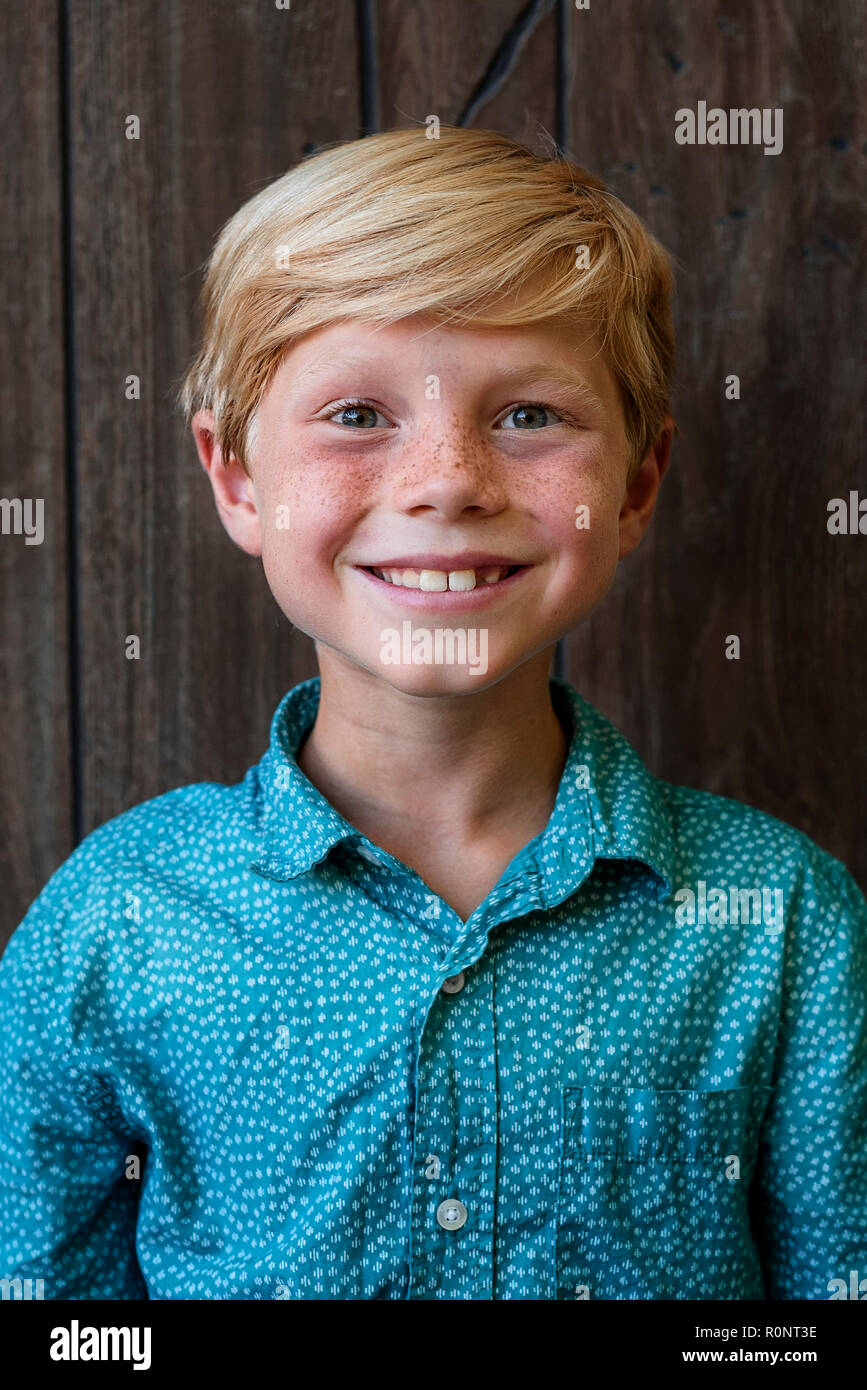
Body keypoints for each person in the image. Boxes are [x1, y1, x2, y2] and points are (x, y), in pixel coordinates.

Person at [1, 127, 864, 1301]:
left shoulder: (783, 921)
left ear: (637, 486)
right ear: (238, 480)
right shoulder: (117, 922)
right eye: (357, 415)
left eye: (529, 417)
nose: (448, 476)